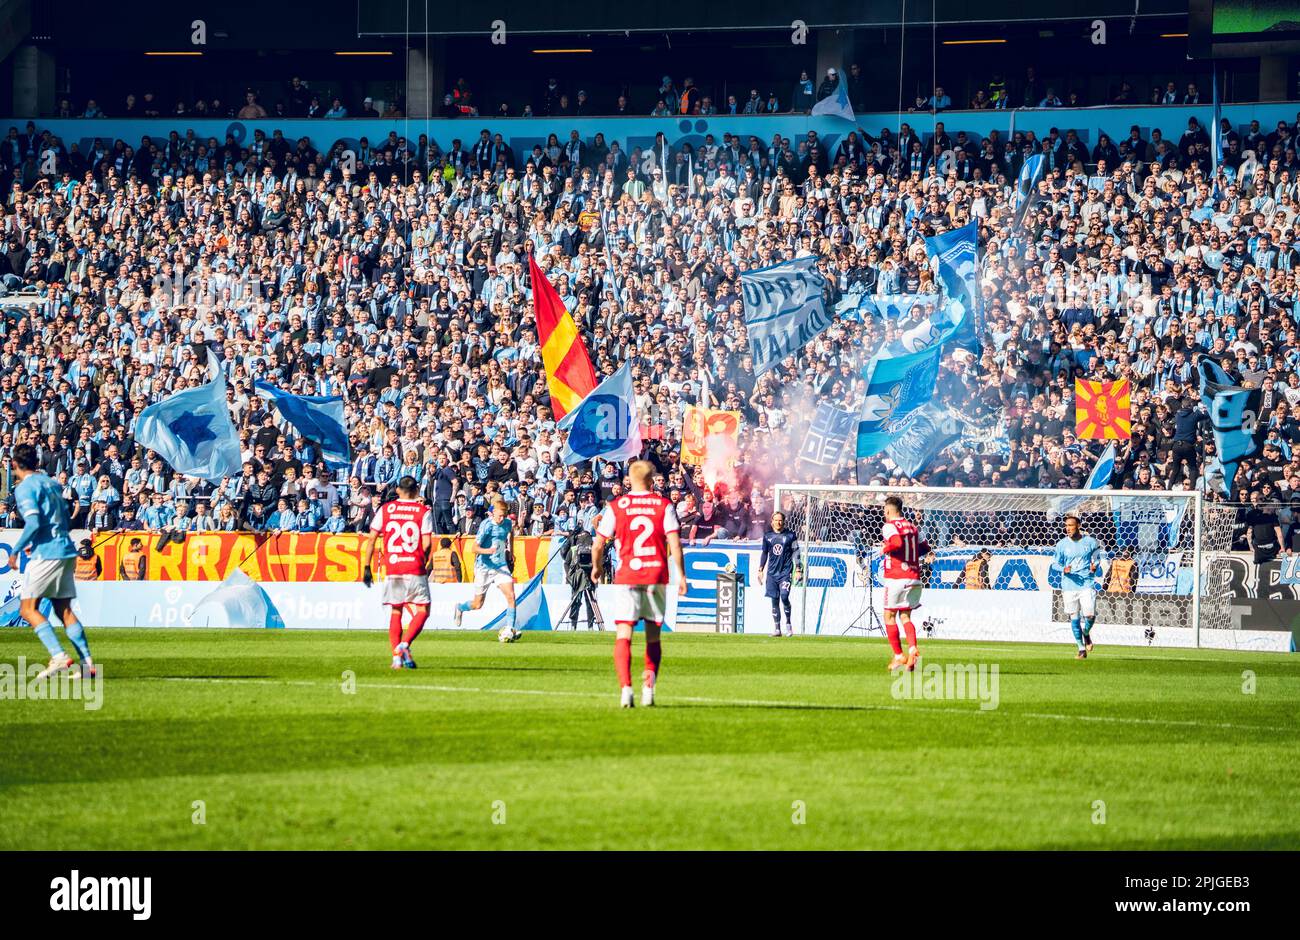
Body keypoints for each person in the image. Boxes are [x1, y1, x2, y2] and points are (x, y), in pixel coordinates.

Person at [592, 460, 686, 708]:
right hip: (656, 575)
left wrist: (597, 567)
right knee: (653, 637)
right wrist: (682, 576)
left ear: (629, 480)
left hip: (628, 576)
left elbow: (599, 543)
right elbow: (675, 544)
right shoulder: (664, 505)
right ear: (651, 479)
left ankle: (626, 690)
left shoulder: (616, 506)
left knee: (624, 634)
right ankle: (649, 691)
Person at [6, 443, 95, 679]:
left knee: (27, 609)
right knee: (63, 609)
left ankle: (58, 656)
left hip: (47, 553)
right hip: (66, 549)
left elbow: (34, 522)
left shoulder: (24, 488)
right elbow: (64, 516)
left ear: (14, 464)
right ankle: (88, 665)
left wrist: (15, 550)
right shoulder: (53, 483)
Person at [360, 475, 434, 670]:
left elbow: (372, 538)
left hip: (393, 568)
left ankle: (396, 658)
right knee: (423, 610)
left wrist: (367, 567)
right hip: (415, 566)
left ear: (398, 491)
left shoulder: (386, 509)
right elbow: (427, 544)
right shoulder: (423, 511)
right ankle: (405, 644)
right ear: (417, 491)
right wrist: (421, 560)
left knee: (396, 610)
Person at [453, 497, 519, 643]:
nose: (502, 518)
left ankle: (510, 629)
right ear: (493, 513)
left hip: (500, 566)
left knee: (511, 596)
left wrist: (511, 550)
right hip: (484, 567)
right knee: (478, 604)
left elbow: (511, 533)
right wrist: (489, 551)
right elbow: (474, 548)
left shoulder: (507, 523)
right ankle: (460, 608)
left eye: (504, 515)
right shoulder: (486, 525)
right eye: (500, 515)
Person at [880, 495, 930, 673]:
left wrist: (884, 549)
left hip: (896, 578)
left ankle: (899, 655)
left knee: (889, 617)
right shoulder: (913, 527)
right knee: (905, 617)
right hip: (914, 577)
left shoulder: (889, 526)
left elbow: (896, 542)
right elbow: (925, 548)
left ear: (888, 510)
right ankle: (912, 648)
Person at [1052, 514, 1103, 659]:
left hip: (1087, 583)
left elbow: (1097, 558)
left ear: (1078, 526)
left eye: (1070, 525)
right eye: (1066, 526)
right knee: (1074, 617)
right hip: (1069, 585)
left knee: (1090, 615)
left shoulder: (1091, 542)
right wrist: (1063, 569)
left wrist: (1095, 565)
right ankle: (1081, 649)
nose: (1067, 528)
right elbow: (1055, 564)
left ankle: (1086, 633)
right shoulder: (1061, 544)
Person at [758, 510, 799, 637]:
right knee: (774, 600)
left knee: (784, 596)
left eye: (780, 520)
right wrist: (760, 570)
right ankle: (777, 629)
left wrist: (798, 569)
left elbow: (796, 551)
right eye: (776, 520)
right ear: (772, 522)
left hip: (785, 572)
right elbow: (764, 553)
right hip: (771, 573)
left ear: (784, 521)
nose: (778, 522)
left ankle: (788, 624)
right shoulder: (767, 536)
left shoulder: (791, 535)